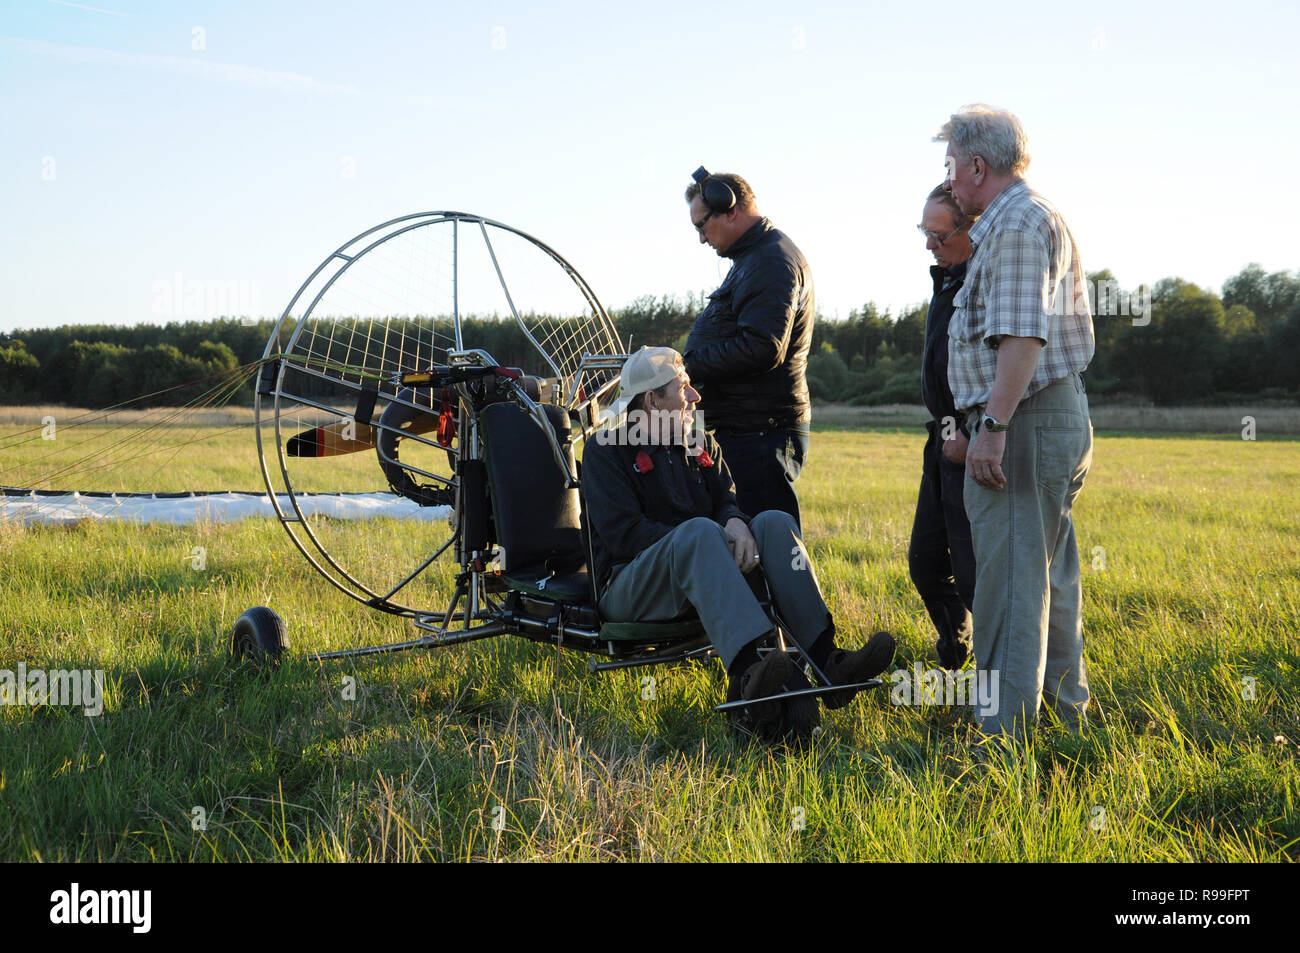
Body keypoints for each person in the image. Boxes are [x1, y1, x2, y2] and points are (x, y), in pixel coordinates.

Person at [583, 346, 894, 744]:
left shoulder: (701, 445)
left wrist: (734, 521)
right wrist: (712, 539)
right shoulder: (606, 450)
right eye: (683, 388)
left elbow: (727, 500)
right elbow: (624, 535)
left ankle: (828, 659)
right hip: (630, 586)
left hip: (701, 566)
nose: (695, 396)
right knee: (699, 532)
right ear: (651, 400)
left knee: (774, 522)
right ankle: (749, 672)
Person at [935, 104, 1095, 737]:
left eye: (951, 166)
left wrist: (992, 429)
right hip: (1039, 417)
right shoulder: (1017, 219)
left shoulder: (1019, 223)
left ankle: (1003, 746)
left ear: (978, 164)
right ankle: (1062, 723)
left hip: (1023, 420)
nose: (948, 181)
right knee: (1045, 574)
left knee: (1008, 587)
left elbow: (1023, 336)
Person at [682, 168, 814, 528]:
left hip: (760, 433)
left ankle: (790, 588)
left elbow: (762, 346)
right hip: (747, 430)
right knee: (748, 541)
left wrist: (687, 366)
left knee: (772, 541)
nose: (701, 239)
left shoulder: (771, 260)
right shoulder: (753, 258)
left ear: (729, 209)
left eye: (701, 225)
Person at [910, 184, 978, 671]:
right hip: (942, 439)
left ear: (972, 226)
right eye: (924, 232)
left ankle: (1003, 681)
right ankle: (957, 652)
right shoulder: (947, 281)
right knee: (927, 563)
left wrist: (973, 430)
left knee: (976, 574)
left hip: (974, 441)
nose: (929, 245)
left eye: (938, 234)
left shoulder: (986, 281)